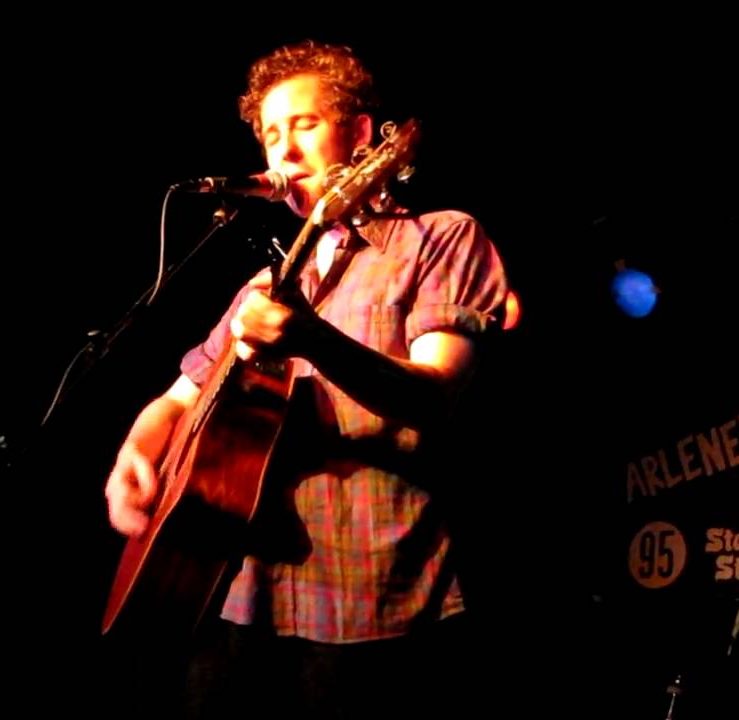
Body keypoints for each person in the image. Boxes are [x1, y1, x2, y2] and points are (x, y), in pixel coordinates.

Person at [103, 38, 510, 717]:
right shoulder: (265, 283)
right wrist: (135, 454)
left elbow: (436, 395)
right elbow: (175, 399)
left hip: (368, 598)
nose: (282, 151)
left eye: (304, 125)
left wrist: (310, 338)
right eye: (269, 134)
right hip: (234, 593)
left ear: (358, 136)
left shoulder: (441, 238)